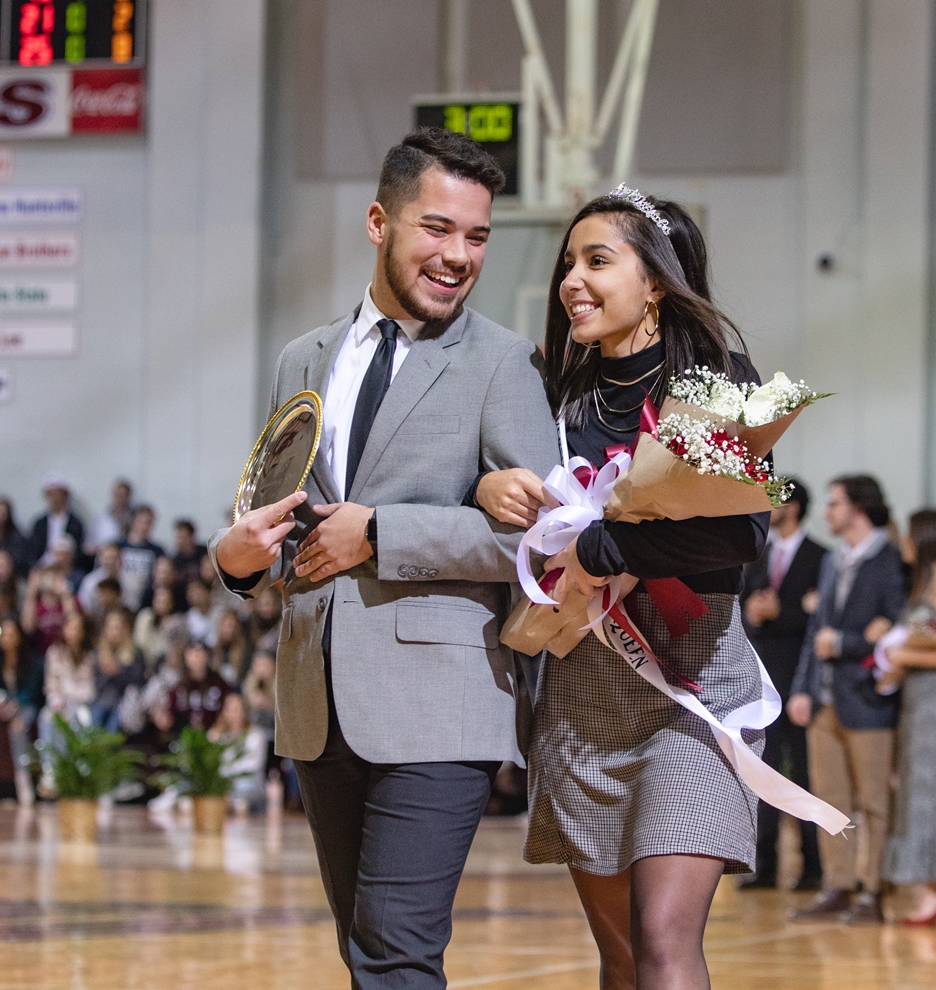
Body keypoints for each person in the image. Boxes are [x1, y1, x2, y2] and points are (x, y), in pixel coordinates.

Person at [208, 127, 559, 989]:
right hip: (315, 696)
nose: (458, 255)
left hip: (439, 701)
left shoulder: (503, 362)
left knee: (395, 950)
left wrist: (382, 533)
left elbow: (542, 540)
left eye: (476, 236)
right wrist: (237, 559)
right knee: (366, 948)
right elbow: (282, 519)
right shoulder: (303, 357)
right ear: (378, 221)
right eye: (437, 229)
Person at [473, 190, 772, 990]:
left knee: (665, 939)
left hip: (692, 687)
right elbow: (507, 506)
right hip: (580, 690)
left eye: (596, 261)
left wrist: (607, 542)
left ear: (657, 284)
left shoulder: (711, 387)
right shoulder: (553, 400)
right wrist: (488, 490)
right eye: (567, 264)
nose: (571, 279)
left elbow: (738, 533)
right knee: (622, 958)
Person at [788, 475, 904, 923]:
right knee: (830, 800)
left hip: (867, 698)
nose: (828, 511)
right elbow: (816, 634)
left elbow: (892, 631)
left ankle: (872, 890)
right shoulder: (833, 559)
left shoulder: (889, 559)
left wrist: (848, 642)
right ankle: (837, 885)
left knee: (873, 802)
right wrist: (802, 687)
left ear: (857, 507)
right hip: (825, 698)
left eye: (835, 503)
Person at [881, 510, 936, 925]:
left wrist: (902, 655)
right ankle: (933, 884)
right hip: (920, 697)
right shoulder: (925, 583)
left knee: (934, 791)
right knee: (917, 787)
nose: (904, 542)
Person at [739, 478, 826, 891]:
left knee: (807, 774)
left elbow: (821, 620)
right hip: (762, 678)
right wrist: (753, 613)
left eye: (772, 498)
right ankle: (766, 864)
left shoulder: (820, 557)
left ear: (791, 506)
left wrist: (784, 612)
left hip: (802, 680)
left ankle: (814, 866)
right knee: (764, 772)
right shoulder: (757, 555)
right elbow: (741, 608)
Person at [0, 620, 44, 807]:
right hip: (2, 705)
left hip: (26, 707)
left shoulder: (32, 662)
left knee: (18, 728)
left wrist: (15, 705)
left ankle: (23, 782)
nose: (6, 639)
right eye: (3, 635)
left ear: (19, 637)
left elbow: (32, 694)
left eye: (11, 635)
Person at [37, 610, 97, 798]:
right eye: (69, 627)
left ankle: (80, 769)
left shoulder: (89, 656)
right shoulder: (54, 653)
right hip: (59, 704)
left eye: (77, 628)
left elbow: (89, 689)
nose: (73, 632)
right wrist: (60, 701)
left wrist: (71, 697)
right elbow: (52, 685)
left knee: (79, 718)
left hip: (82, 706)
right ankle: (51, 770)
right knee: (48, 719)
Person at [209, 692, 268, 812]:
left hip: (247, 784)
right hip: (224, 783)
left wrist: (229, 773)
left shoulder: (255, 735)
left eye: (237, 709)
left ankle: (235, 803)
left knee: (246, 786)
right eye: (230, 709)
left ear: (244, 712)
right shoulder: (218, 736)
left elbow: (253, 766)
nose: (233, 714)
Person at [90, 609, 145, 731]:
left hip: (124, 701)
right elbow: (95, 684)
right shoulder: (98, 654)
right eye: (111, 628)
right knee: (95, 720)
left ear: (125, 629)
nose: (114, 632)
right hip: (102, 700)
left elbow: (139, 682)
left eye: (118, 628)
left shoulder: (135, 653)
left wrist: (118, 672)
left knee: (114, 725)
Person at [166, 639, 231, 732]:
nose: (197, 657)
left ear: (207, 656)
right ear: (185, 658)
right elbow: (170, 714)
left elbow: (228, 707)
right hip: (183, 736)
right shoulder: (178, 685)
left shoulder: (219, 682)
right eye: (192, 654)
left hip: (215, 735)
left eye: (200, 653)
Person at [28, 472, 85, 568]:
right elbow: (33, 549)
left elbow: (78, 551)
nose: (55, 499)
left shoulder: (75, 524)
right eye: (51, 494)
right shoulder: (40, 524)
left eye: (58, 494)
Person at [118, 506, 165, 612]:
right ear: (134, 522)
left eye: (150, 523)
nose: (146, 527)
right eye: (143, 522)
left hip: (144, 598)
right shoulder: (119, 546)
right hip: (122, 594)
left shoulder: (157, 550)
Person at [86, 479, 133, 555]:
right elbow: (88, 547)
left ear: (129, 497)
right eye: (117, 495)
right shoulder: (100, 520)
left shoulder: (133, 521)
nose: (120, 499)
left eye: (123, 496)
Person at [172, 519, 208, 589]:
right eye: (177, 537)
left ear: (191, 537)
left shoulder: (205, 553)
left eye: (182, 537)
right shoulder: (175, 560)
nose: (179, 541)